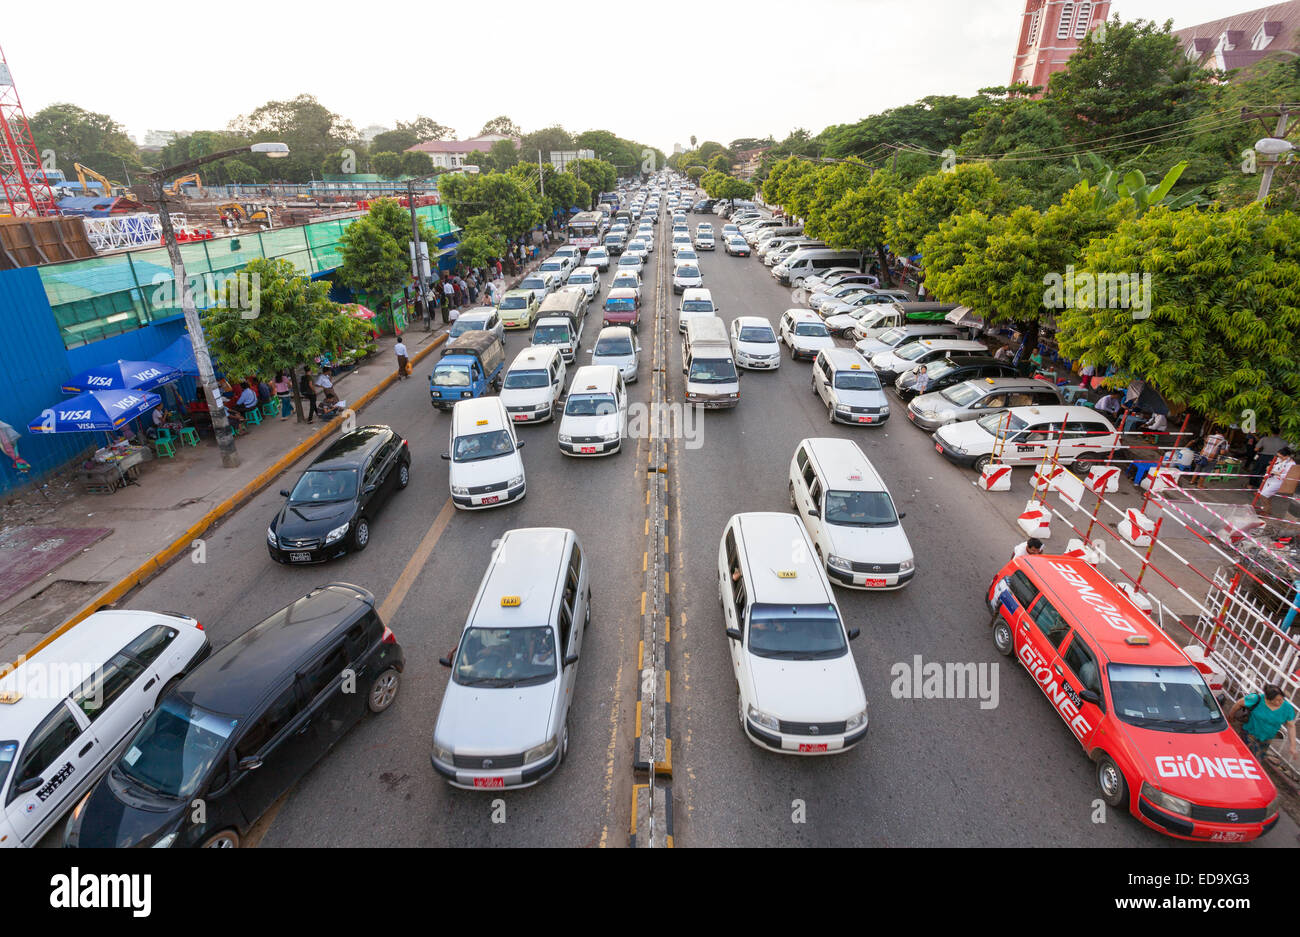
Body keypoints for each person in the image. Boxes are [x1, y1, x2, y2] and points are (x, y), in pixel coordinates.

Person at [1228, 685, 1297, 760]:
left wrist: (1292, 746)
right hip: (1249, 734)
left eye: (1281, 699)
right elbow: (1238, 704)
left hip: (1266, 740)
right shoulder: (1256, 699)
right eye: (1276, 700)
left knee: (1255, 759)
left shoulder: (1287, 708)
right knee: (1245, 757)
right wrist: (1231, 716)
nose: (1280, 702)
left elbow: (1291, 726)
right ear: (1267, 698)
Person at [1258, 446, 1296, 515]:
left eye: (1281, 457)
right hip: (1271, 478)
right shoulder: (1279, 459)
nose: (1279, 458)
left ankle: (1266, 510)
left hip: (1279, 481)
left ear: (1287, 456)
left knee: (1263, 495)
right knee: (1266, 495)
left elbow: (1288, 476)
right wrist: (1269, 468)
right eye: (1278, 456)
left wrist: (1276, 473)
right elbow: (1275, 465)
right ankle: (1267, 509)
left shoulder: (1291, 464)